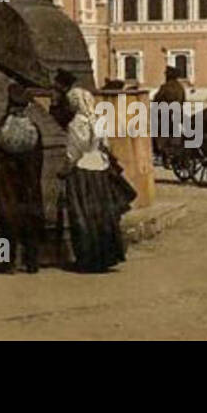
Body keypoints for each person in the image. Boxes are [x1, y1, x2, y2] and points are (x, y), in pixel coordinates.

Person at [58, 79, 128, 272]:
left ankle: (87, 258)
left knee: (83, 216)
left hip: (82, 173)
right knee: (102, 215)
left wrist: (63, 171)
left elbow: (73, 153)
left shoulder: (75, 125)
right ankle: (106, 256)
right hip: (100, 169)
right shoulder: (99, 121)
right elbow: (106, 146)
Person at [0, 83, 43, 273]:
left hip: (6, 183)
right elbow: (39, 158)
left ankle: (5, 261)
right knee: (29, 220)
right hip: (29, 182)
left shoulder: (2, 126)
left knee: (5, 222)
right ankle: (31, 262)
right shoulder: (34, 129)